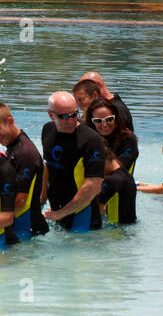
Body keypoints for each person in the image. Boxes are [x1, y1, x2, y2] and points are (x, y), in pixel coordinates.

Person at [0, 101, 48, 238]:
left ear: (10, 121)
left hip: (26, 232)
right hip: (16, 230)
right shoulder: (13, 146)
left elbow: (19, 201)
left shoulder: (24, 153)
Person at [41, 90, 106, 232]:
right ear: (51, 115)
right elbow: (48, 166)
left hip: (83, 216)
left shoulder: (91, 140)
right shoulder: (47, 130)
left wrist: (61, 213)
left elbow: (93, 186)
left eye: (74, 114)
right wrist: (41, 199)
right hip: (57, 211)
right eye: (63, 116)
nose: (70, 120)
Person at [82, 96, 138, 175]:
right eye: (98, 121)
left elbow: (119, 171)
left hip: (116, 185)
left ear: (116, 118)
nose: (104, 125)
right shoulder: (87, 140)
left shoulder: (128, 140)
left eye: (109, 119)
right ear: (92, 122)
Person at [97, 146, 137, 225]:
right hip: (130, 224)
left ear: (105, 160)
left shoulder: (111, 180)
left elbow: (98, 207)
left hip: (115, 229)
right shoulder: (128, 176)